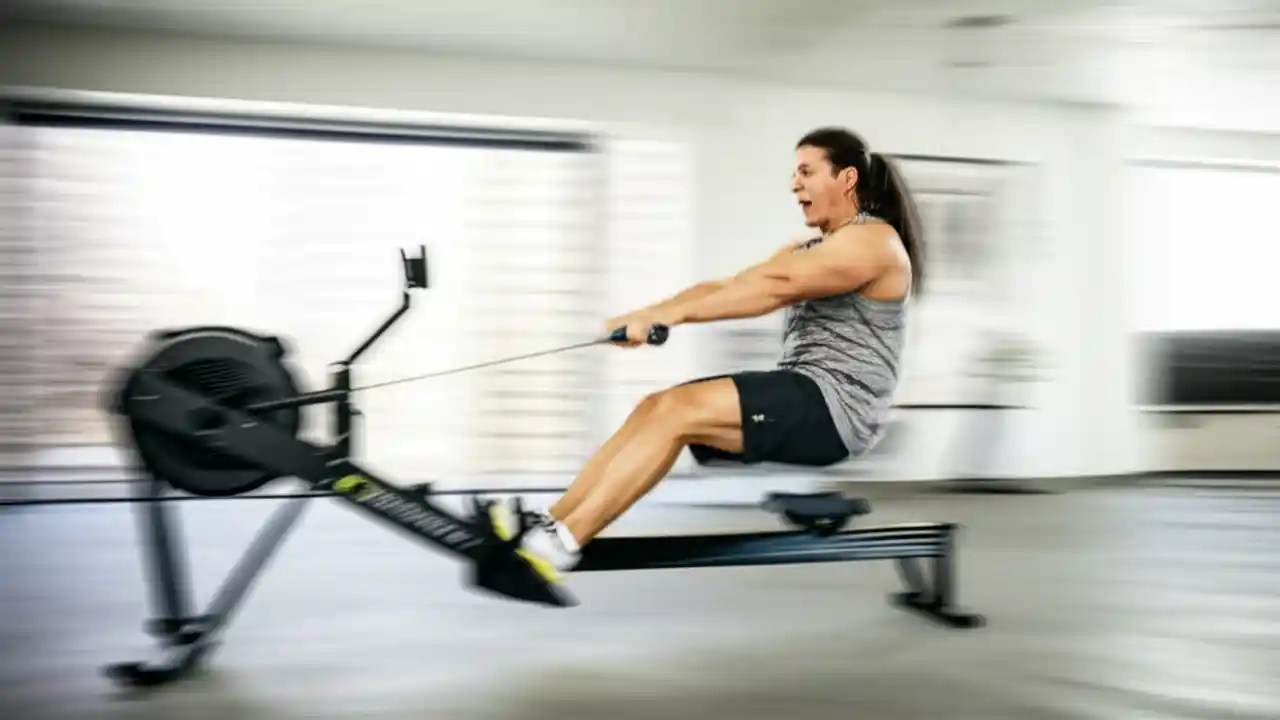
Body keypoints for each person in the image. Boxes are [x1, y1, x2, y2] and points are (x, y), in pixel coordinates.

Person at [486, 126, 925, 584]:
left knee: (676, 412)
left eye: (807, 171)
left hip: (838, 411)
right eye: (795, 173)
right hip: (805, 390)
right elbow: (736, 285)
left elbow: (775, 288)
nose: (795, 184)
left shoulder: (874, 241)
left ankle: (560, 547)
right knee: (655, 408)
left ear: (847, 179)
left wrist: (671, 315)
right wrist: (651, 312)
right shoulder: (808, 247)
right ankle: (553, 520)